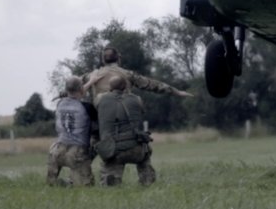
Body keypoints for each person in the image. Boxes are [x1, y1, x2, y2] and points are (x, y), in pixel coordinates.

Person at [89, 48, 193, 186]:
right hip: (126, 122)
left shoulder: (92, 76)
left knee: (91, 152)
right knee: (139, 147)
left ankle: (80, 179)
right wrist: (176, 91)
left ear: (103, 59)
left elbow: (74, 87)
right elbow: (151, 84)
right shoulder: (127, 74)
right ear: (118, 58)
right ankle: (146, 179)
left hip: (101, 123)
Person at [46, 77, 96, 186]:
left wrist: (90, 82)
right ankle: (71, 183)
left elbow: (74, 92)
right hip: (77, 153)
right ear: (81, 90)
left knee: (52, 184)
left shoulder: (59, 104)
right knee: (87, 186)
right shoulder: (87, 107)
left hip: (57, 151)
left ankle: (56, 182)